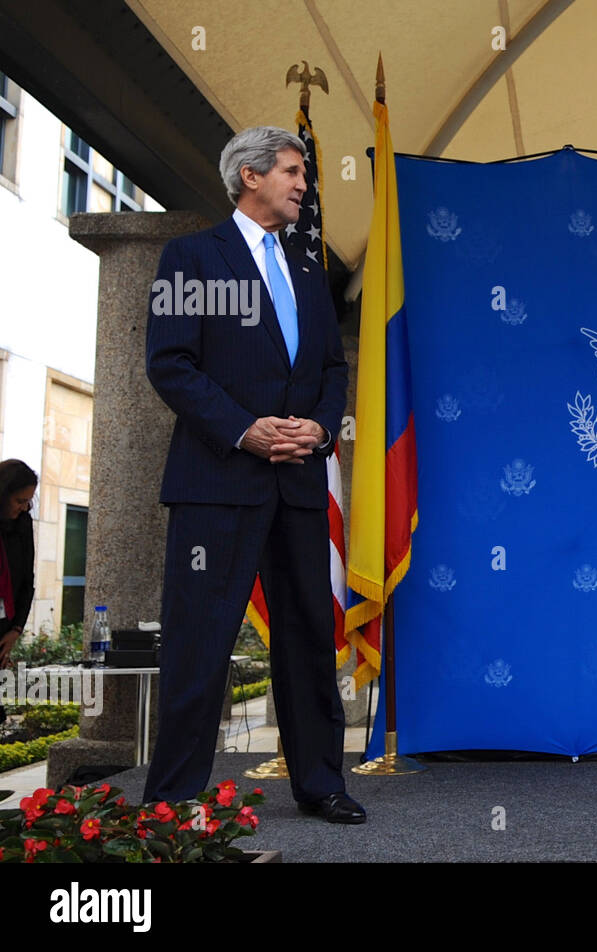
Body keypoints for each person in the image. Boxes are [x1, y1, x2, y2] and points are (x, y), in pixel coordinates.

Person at [142, 126, 361, 821]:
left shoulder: (306, 267)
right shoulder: (192, 257)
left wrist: (322, 427)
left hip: (299, 486)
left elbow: (332, 368)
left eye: (303, 173)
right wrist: (245, 429)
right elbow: (170, 363)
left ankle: (324, 785)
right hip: (217, 486)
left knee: (306, 641)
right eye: (292, 172)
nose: (303, 184)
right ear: (250, 178)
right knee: (199, 643)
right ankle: (173, 798)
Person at [0, 460, 37, 671]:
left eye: (28, 502)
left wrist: (16, 630)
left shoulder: (23, 523)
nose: (24, 507)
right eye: (19, 500)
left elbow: (27, 580)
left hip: (5, 627)